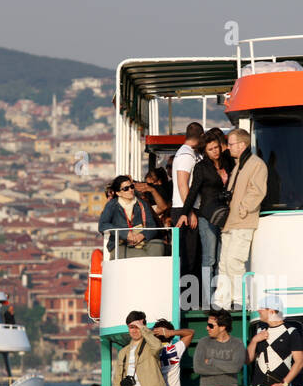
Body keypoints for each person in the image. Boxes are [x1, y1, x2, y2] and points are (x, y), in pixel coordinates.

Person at [213, 128, 267, 311]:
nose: (228, 148)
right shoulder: (240, 164)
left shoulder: (256, 164)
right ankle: (222, 301)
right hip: (231, 221)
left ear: (242, 145)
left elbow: (257, 190)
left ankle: (239, 300)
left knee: (234, 261)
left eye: (231, 144)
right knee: (224, 263)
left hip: (243, 220)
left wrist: (243, 208)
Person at [181, 129, 234, 292]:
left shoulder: (227, 162)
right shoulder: (201, 167)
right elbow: (193, 191)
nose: (215, 152)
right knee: (209, 257)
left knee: (221, 258)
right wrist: (185, 212)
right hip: (207, 215)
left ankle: (220, 294)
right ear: (205, 151)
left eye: (216, 148)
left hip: (225, 214)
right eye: (211, 149)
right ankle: (207, 297)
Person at [246, 294, 303, 386]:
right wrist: (254, 341)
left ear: (272, 311)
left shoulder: (291, 332)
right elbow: (247, 360)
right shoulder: (260, 331)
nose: (259, 311)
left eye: (262, 308)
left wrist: (284, 385)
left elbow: (299, 362)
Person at [191, 308, 243, 386]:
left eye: (210, 325)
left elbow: (235, 367)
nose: (207, 328)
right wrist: (226, 367)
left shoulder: (237, 344)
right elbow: (198, 368)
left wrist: (213, 361)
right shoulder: (203, 343)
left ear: (222, 327)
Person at [98, 175, 164, 258]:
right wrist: (126, 234)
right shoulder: (112, 205)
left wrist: (142, 235)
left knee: (159, 246)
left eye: (132, 187)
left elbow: (152, 225)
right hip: (120, 244)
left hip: (142, 242)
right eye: (126, 189)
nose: (130, 190)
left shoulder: (142, 204)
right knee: (145, 256)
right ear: (118, 193)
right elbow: (103, 225)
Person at [170, 122, 204, 284]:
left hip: (187, 207)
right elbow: (182, 183)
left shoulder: (189, 153)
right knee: (189, 256)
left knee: (194, 255)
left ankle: (192, 297)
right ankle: (187, 299)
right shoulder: (185, 155)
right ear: (201, 136)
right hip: (184, 209)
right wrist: (188, 211)